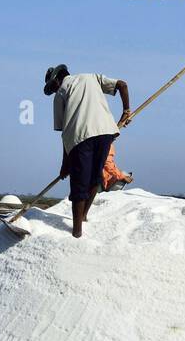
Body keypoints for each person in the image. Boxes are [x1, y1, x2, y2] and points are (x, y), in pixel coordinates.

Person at [44, 64, 131, 238]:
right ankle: (83, 217)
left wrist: (65, 164)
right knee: (95, 178)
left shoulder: (61, 92)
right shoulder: (92, 77)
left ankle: (76, 232)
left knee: (79, 183)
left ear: (57, 80)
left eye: (52, 87)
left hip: (80, 137)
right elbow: (122, 84)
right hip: (106, 131)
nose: (53, 91)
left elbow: (65, 132)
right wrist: (126, 110)